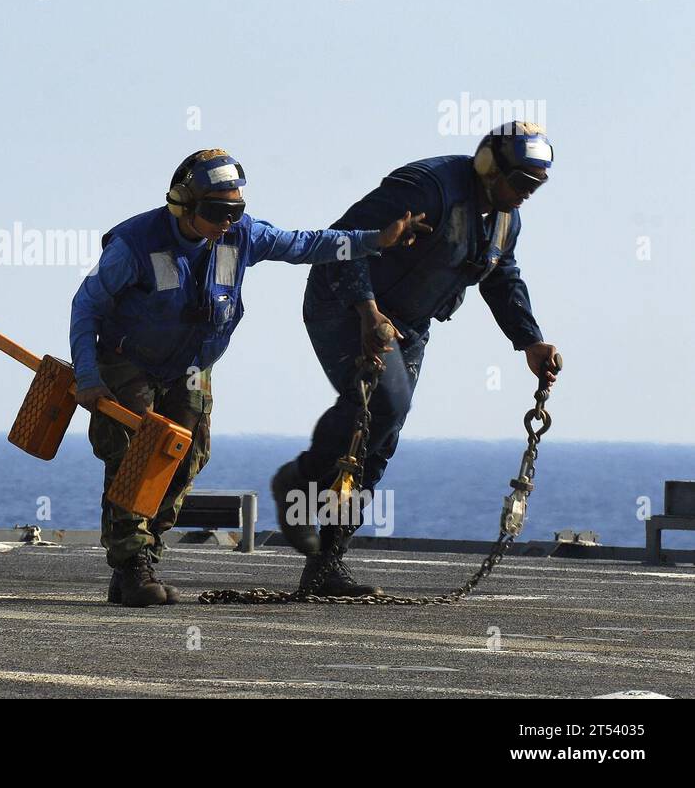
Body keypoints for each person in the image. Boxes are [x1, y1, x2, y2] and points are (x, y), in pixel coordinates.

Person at [71, 149, 429, 607]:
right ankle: (131, 564)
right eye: (217, 211)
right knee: (138, 457)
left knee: (185, 457)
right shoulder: (134, 245)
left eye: (234, 211)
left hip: (192, 368)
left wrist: (375, 240)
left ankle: (145, 555)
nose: (227, 221)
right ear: (183, 203)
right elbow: (86, 307)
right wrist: (87, 375)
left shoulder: (243, 236)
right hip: (129, 361)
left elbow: (308, 245)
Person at [271, 121, 559, 597]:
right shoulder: (425, 187)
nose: (527, 193)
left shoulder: (506, 219)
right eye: (522, 181)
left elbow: (501, 277)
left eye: (536, 185)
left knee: (381, 438)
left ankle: (326, 562)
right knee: (383, 407)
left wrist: (531, 341)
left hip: (409, 324)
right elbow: (345, 240)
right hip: (344, 304)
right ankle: (298, 479)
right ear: (490, 166)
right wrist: (368, 312)